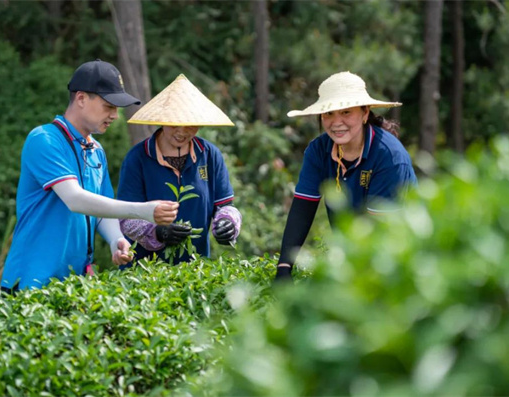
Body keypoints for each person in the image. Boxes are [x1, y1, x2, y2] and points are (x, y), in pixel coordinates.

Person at [0, 60, 179, 292]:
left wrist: (116, 240)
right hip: (29, 283)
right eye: (108, 106)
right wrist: (145, 211)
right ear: (82, 99)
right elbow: (75, 200)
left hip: (72, 285)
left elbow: (102, 213)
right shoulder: (44, 140)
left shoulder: (96, 150)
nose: (115, 115)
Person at [275, 71, 418, 282]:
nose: (336, 122)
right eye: (328, 114)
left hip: (401, 257)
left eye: (346, 112)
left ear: (365, 113)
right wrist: (284, 266)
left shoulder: (389, 157)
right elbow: (303, 207)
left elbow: (380, 233)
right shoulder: (318, 151)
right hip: (353, 257)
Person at [117, 74, 241, 265]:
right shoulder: (138, 157)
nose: (182, 131)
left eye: (190, 124)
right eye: (175, 123)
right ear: (163, 120)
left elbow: (225, 206)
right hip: (145, 272)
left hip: (195, 267)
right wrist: (158, 232)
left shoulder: (209, 155)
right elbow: (126, 218)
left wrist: (227, 223)